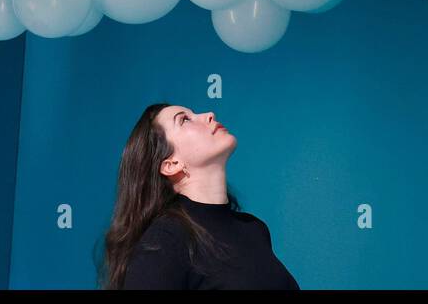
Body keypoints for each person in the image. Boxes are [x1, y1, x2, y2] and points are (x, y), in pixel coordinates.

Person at [99, 102, 300, 290]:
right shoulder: (166, 240)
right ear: (171, 164)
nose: (209, 115)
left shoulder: (254, 229)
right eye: (184, 119)